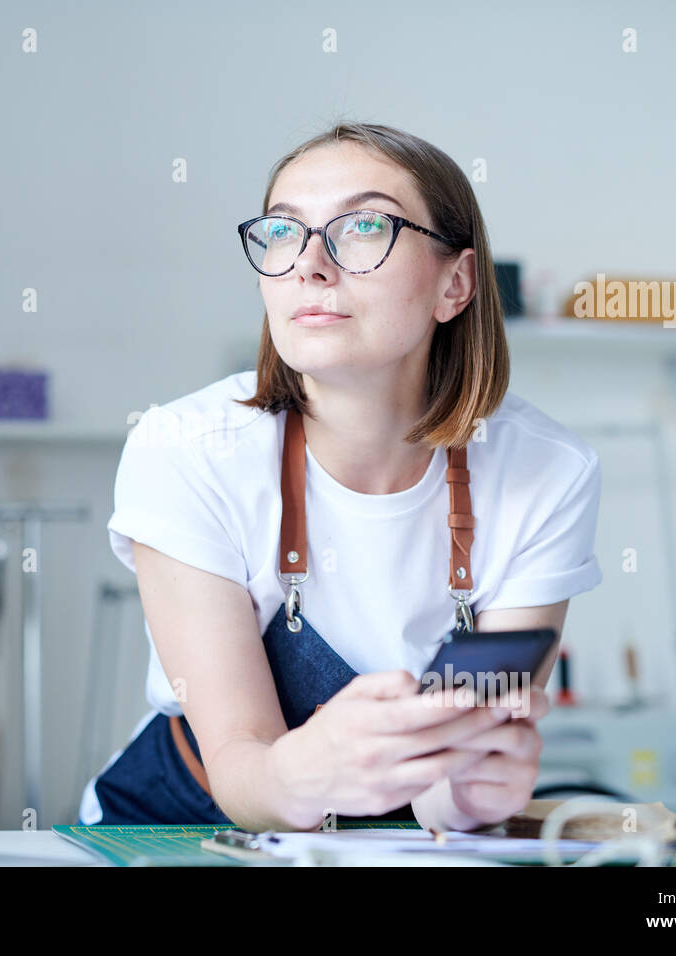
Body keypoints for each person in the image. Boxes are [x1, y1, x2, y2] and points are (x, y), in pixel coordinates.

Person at [76, 122, 602, 833]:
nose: (308, 266)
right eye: (283, 232)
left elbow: (449, 792)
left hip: (398, 841)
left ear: (456, 283)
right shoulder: (185, 450)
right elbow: (241, 765)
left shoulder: (546, 472)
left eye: (362, 226)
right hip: (183, 821)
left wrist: (471, 793)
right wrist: (302, 771)